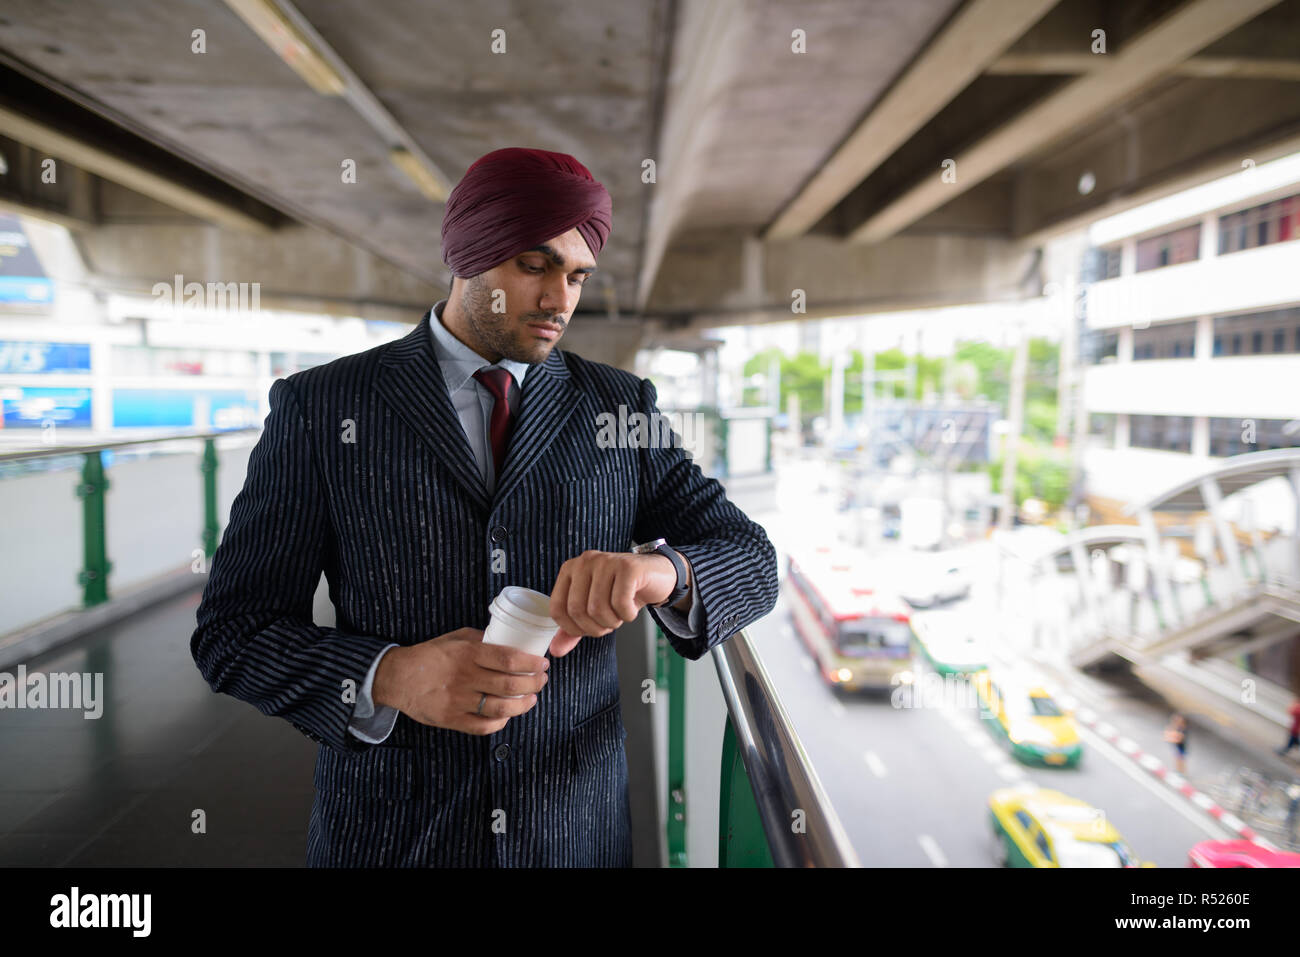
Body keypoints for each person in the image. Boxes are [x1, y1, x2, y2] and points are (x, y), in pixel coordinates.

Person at [190, 147, 780, 866]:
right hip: (390, 838)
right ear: (468, 254)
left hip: (573, 836)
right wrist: (391, 674)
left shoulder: (619, 406)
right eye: (533, 266)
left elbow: (752, 560)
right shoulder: (324, 408)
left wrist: (660, 572)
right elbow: (232, 632)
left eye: (577, 274)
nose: (559, 299)